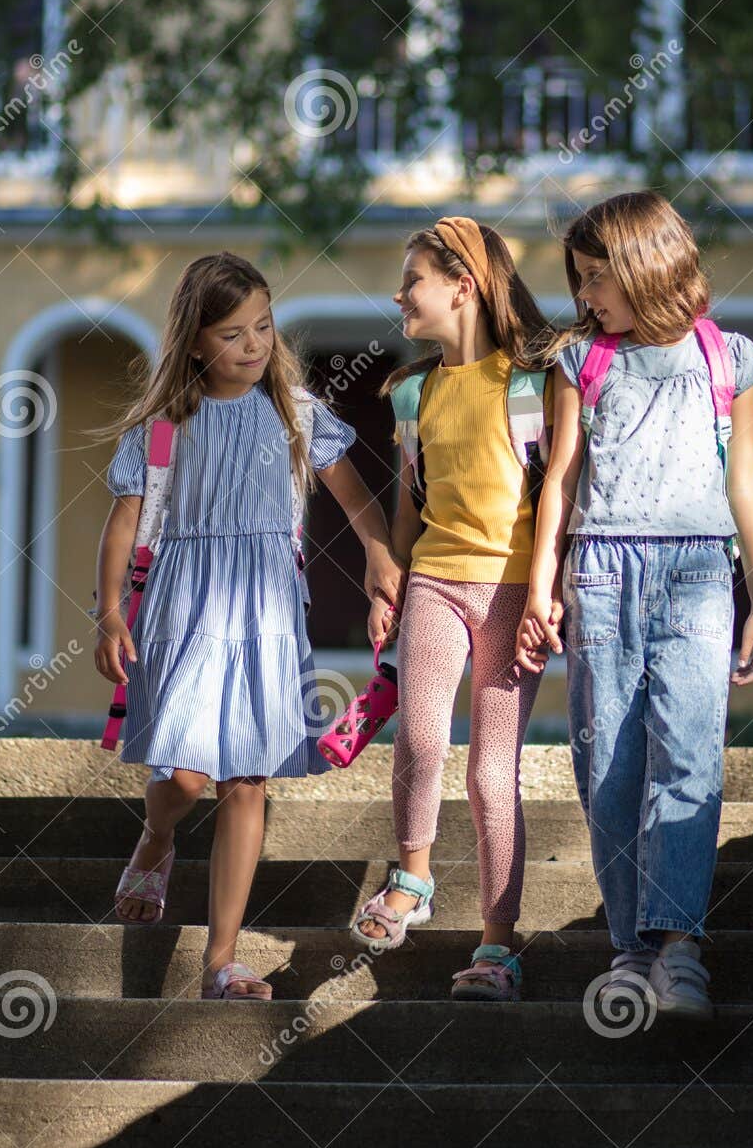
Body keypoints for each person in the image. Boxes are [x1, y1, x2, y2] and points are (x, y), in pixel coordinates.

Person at [93, 250, 402, 999]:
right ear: (195, 342)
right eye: (233, 334)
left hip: (266, 611)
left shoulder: (293, 410)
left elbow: (355, 493)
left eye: (263, 326)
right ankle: (158, 834)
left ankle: (220, 961)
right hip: (184, 607)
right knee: (190, 776)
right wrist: (107, 612)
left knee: (246, 779)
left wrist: (378, 555)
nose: (255, 345)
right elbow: (125, 522)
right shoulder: (166, 426)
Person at [516, 192, 753, 1019]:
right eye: (581, 280)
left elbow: (747, 483)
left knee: (689, 755)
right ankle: (628, 949)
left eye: (597, 278)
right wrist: (538, 585)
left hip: (700, 573)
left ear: (644, 265)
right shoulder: (580, 362)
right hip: (599, 574)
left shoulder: (729, 359)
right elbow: (556, 480)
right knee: (610, 767)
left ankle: (678, 946)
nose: (585, 296)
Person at [353, 217, 555, 1002]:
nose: (399, 294)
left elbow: (560, 498)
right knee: (421, 734)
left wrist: (551, 590)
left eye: (413, 281)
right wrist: (390, 586)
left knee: (489, 773)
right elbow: (410, 503)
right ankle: (412, 875)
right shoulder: (411, 391)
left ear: (462, 285)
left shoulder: (536, 383)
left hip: (510, 591)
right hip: (435, 579)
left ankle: (498, 947)